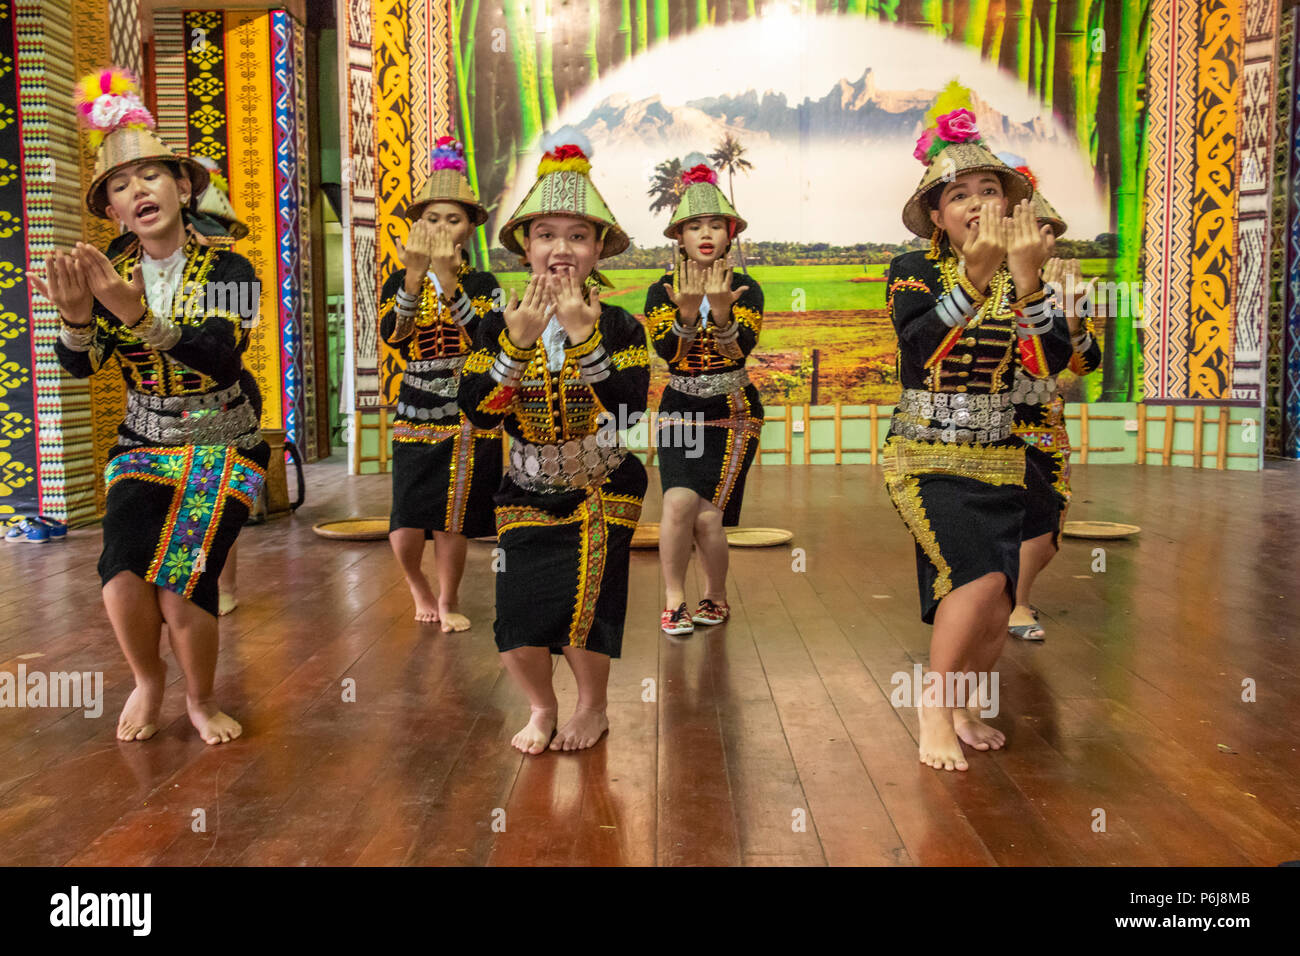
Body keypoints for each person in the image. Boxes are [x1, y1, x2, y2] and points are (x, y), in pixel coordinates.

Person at [36, 68, 268, 744]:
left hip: (224, 444)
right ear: (110, 211)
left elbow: (223, 356)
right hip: (141, 444)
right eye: (119, 184)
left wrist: (137, 314)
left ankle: (199, 700)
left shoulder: (232, 271)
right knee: (119, 575)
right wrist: (77, 316)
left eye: (151, 176)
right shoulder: (104, 267)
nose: (137, 191)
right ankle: (148, 679)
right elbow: (80, 366)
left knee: (180, 581)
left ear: (184, 186)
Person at [882, 86, 1072, 771]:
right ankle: (934, 709)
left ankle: (962, 704)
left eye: (987, 189)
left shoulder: (1023, 277)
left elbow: (1054, 363)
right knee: (974, 580)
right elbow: (915, 348)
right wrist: (973, 281)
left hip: (1001, 455)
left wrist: (1030, 286)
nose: (975, 203)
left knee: (1000, 592)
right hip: (924, 452)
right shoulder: (913, 270)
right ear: (936, 213)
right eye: (958, 194)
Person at [458, 133, 649, 753]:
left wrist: (584, 339)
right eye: (546, 234)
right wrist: (515, 346)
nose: (561, 248)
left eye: (577, 236)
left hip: (603, 489)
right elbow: (478, 412)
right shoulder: (496, 323)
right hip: (521, 489)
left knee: (586, 608)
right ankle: (542, 707)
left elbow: (627, 411)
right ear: (527, 249)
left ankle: (591, 709)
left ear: (597, 251)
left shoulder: (621, 325)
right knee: (517, 614)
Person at [378, 136, 503, 631]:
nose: (442, 227)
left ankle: (449, 599)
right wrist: (412, 282)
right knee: (406, 522)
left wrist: (451, 285)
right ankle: (418, 586)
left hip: (467, 411)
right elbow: (393, 336)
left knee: (453, 518)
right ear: (417, 225)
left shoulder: (483, 283)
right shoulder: (398, 280)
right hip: (415, 409)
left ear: (470, 228)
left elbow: (487, 340)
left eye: (454, 219)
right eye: (432, 218)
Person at [644, 164, 763, 637]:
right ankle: (674, 599)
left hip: (734, 413)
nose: (706, 233)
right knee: (677, 503)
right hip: (679, 409)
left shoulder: (747, 288)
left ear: (729, 233)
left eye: (715, 224)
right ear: (680, 236)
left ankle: (715, 596)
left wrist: (720, 310)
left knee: (709, 519)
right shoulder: (661, 291)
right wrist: (688, 314)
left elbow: (740, 351)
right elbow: (668, 353)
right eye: (695, 226)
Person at [994, 157, 1104, 642]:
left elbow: (1083, 365)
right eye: (1034, 231)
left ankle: (1019, 601)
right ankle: (994, 602)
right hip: (990, 423)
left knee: (1047, 518)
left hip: (1045, 424)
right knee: (993, 516)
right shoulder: (985, 286)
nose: (1045, 240)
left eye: (1049, 231)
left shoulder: (1065, 292)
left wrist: (1076, 317)